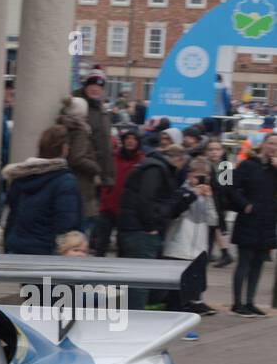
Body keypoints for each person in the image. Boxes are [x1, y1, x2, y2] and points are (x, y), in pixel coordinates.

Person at [117, 142, 194, 309]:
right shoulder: (156, 169)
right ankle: (134, 322)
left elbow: (165, 205)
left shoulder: (152, 165)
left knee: (132, 280)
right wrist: (150, 226)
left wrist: (188, 196)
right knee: (139, 282)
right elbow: (147, 200)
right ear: (178, 159)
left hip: (133, 228)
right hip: (140, 232)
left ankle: (128, 319)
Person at [3, 126, 83, 255]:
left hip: (16, 252)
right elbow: (67, 227)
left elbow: (11, 217)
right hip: (46, 259)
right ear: (64, 149)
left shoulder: (20, 177)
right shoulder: (65, 181)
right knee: (46, 277)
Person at [226, 132, 277, 316]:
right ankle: (237, 302)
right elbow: (230, 185)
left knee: (258, 264)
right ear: (263, 144)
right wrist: (244, 204)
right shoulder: (248, 164)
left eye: (276, 145)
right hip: (249, 220)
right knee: (244, 263)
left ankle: (250, 301)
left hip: (267, 222)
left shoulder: (274, 169)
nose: (273, 147)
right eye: (270, 143)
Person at [162, 157, 218, 317]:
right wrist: (192, 194)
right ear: (189, 175)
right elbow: (174, 213)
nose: (201, 179)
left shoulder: (206, 195)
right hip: (178, 249)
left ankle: (181, 323)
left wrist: (208, 198)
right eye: (197, 175)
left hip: (197, 252)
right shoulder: (181, 192)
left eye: (205, 176)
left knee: (189, 293)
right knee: (175, 294)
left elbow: (213, 220)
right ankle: (170, 322)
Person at [92, 129, 143, 256]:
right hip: (108, 206)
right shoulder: (113, 157)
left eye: (133, 139)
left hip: (127, 209)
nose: (130, 141)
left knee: (123, 246)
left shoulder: (142, 160)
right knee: (101, 243)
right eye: (127, 138)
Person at [57, 95, 100, 231]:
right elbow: (77, 158)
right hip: (82, 184)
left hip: (71, 181)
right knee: (81, 231)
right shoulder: (80, 131)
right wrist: (96, 167)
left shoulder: (64, 127)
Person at [73, 67, 115, 203]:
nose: (95, 88)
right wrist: (97, 170)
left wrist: (108, 176)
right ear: (85, 86)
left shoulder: (103, 111)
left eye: (99, 85)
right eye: (92, 84)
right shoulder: (77, 108)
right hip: (80, 174)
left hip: (96, 177)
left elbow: (106, 147)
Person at [203, 139, 233, 267]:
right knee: (213, 229)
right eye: (211, 150)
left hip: (219, 203)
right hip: (208, 201)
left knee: (215, 227)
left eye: (217, 149)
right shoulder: (204, 164)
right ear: (206, 152)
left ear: (222, 151)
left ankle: (224, 253)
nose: (214, 152)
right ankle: (218, 253)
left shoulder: (225, 166)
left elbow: (226, 187)